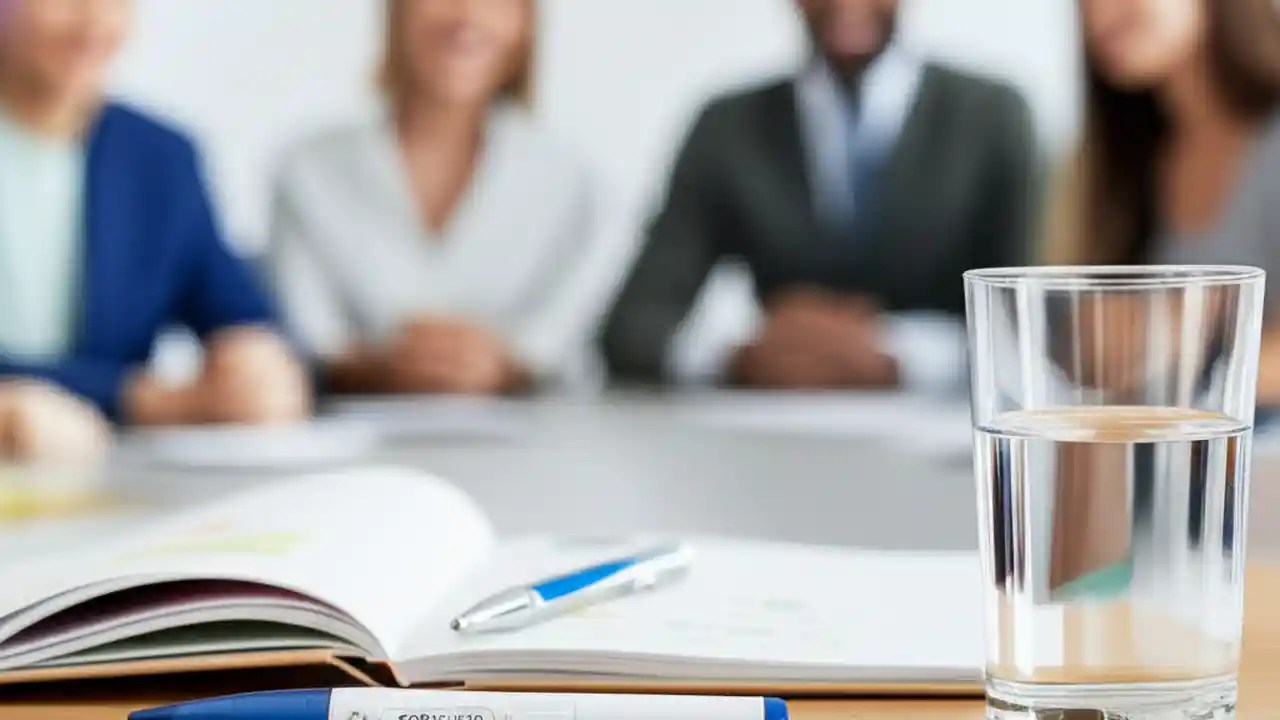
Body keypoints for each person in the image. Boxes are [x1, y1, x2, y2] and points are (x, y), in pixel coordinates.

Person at [599, 0, 1037, 392]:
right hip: (769, 448)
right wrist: (740, 355)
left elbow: (1031, 332)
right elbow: (631, 329)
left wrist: (896, 351)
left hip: (941, 454)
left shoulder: (992, 116)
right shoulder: (728, 126)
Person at [0, 0, 310, 435]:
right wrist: (131, 396)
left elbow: (237, 312)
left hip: (117, 482)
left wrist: (253, 362)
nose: (92, 21)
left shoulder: (160, 158)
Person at [270, 0, 608, 396]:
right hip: (358, 437)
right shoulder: (309, 168)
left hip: (543, 438)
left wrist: (504, 365)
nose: (467, 16)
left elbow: (562, 338)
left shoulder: (575, 179)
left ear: (527, 23)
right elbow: (308, 337)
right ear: (396, 12)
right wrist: (377, 368)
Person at [1048, 0, 1280, 400]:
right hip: (1162, 451)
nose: (1099, 14)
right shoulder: (1122, 162)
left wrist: (1190, 344)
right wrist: (1101, 345)